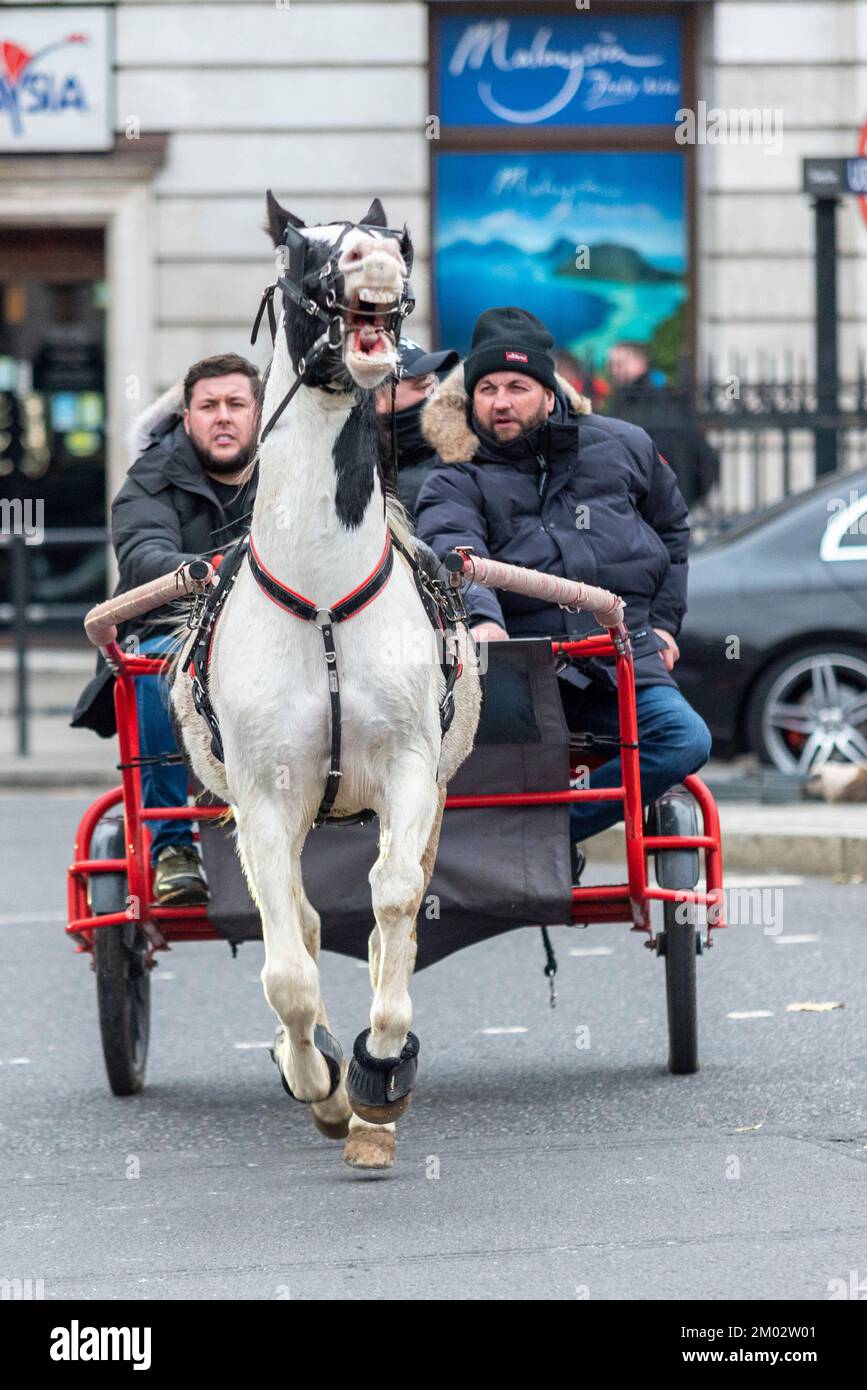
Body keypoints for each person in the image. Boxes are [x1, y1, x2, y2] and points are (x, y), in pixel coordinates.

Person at [413, 306, 712, 878]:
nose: (501, 401)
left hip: (624, 654)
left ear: (550, 394)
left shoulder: (626, 445)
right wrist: (483, 624)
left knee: (685, 741)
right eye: (488, 388)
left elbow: (673, 528)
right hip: (518, 667)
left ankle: (547, 828)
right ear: (471, 399)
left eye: (518, 387)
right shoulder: (455, 476)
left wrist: (668, 623)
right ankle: (523, 835)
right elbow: (453, 553)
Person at [72, 353, 260, 905]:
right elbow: (143, 555)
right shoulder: (148, 480)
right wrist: (226, 566)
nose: (222, 417)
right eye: (208, 406)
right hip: (173, 630)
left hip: (284, 631)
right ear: (185, 416)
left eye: (235, 404)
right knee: (155, 673)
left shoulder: (292, 470)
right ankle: (173, 850)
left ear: (260, 412)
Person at [608, 339, 719, 510]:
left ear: (640, 362)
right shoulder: (623, 401)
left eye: (619, 364)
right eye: (612, 364)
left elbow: (695, 454)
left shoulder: (659, 401)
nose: (614, 370)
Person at [374, 337, 459, 517]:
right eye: (423, 386)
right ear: (376, 400)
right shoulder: (359, 481)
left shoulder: (462, 462)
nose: (435, 395)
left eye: (435, 384)